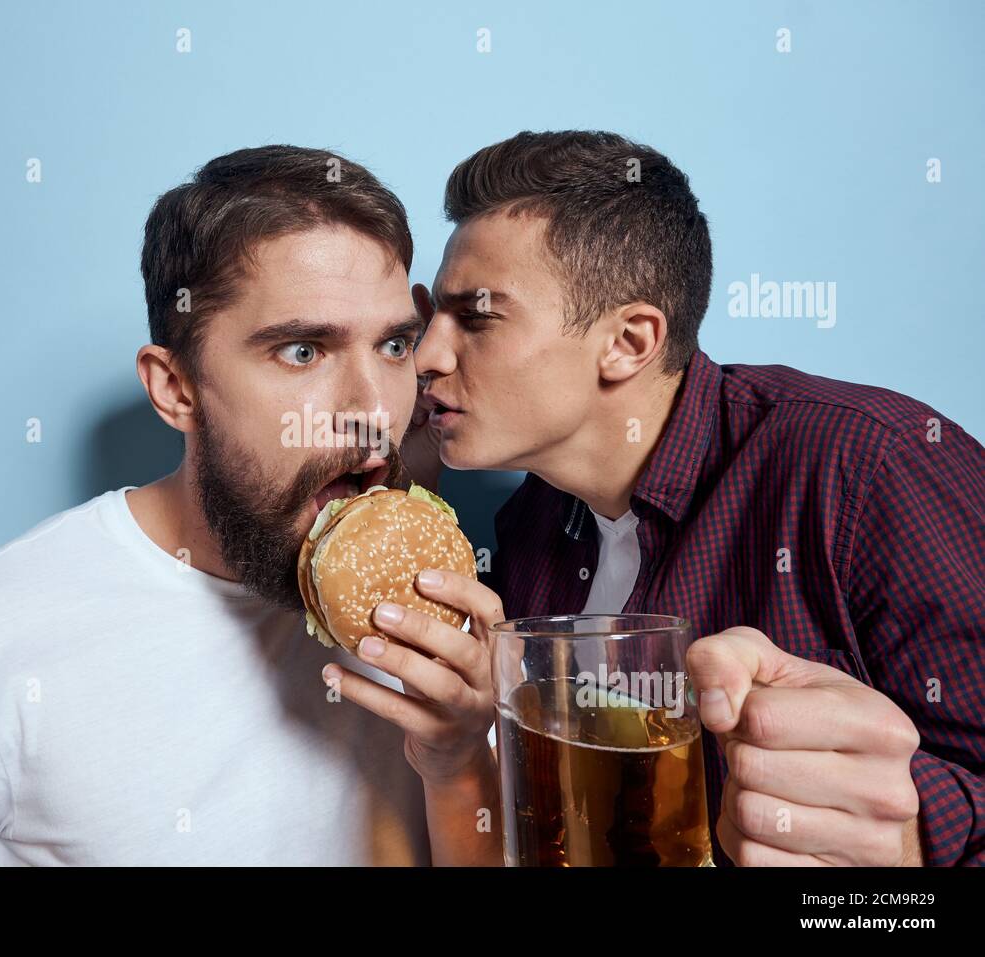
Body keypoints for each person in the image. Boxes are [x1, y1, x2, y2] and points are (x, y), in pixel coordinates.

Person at [0, 145, 503, 866]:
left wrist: (458, 759)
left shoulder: (440, 607)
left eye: (395, 343)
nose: (374, 411)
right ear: (175, 388)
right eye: (303, 352)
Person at [387, 130, 985, 866]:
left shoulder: (867, 467)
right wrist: (400, 481)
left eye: (476, 318)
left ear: (630, 341)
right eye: (429, 321)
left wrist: (907, 840)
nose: (427, 356)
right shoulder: (530, 523)